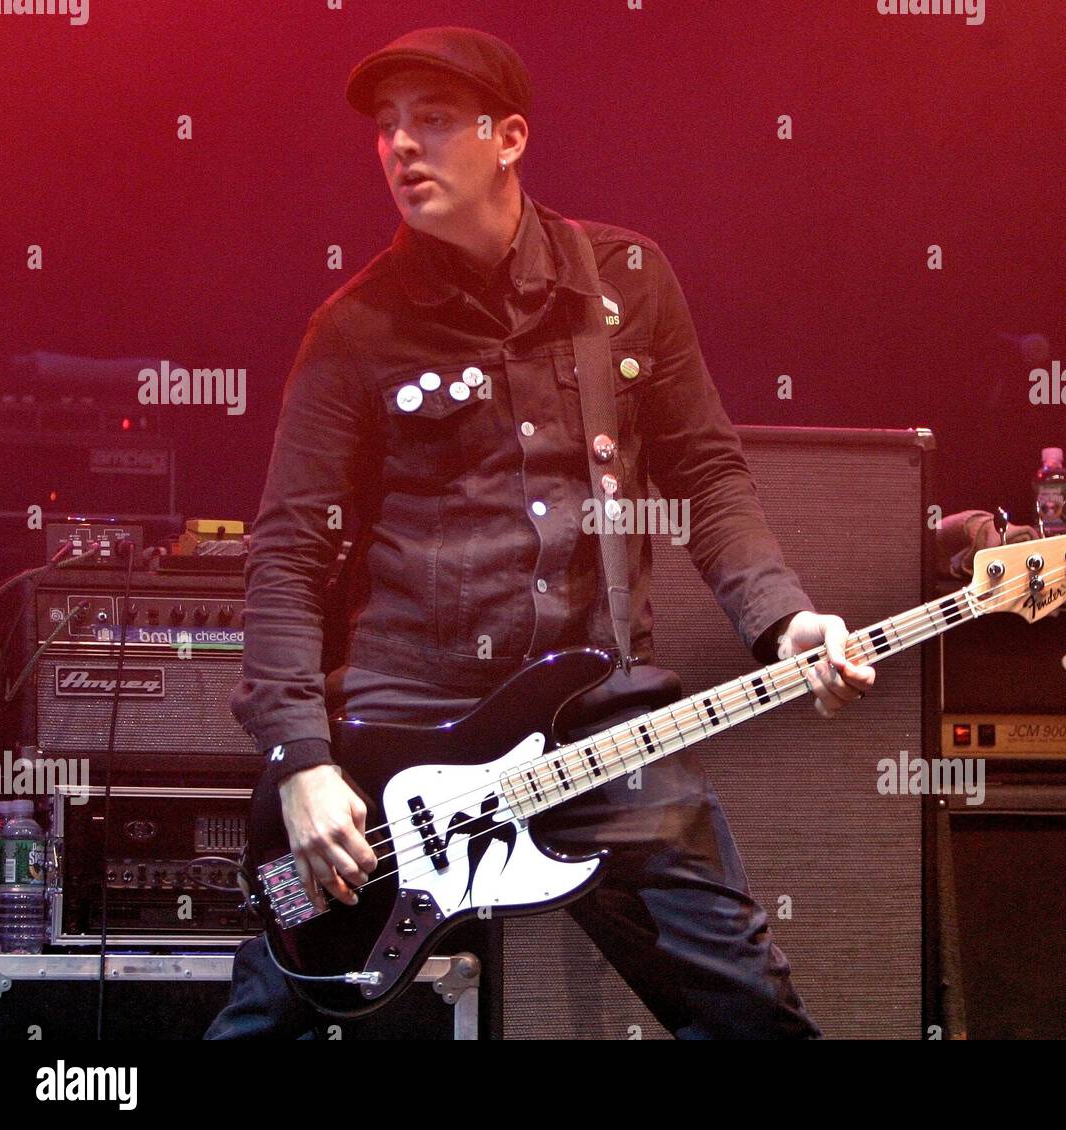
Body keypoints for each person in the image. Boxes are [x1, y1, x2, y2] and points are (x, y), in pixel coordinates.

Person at [207, 25, 873, 1040]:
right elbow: (288, 553)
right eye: (386, 128)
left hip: (595, 730)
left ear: (507, 138)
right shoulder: (354, 328)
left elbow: (704, 474)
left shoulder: (627, 281)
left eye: (431, 121)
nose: (400, 147)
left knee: (751, 1016)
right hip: (397, 742)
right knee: (273, 1020)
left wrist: (782, 618)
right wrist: (301, 759)